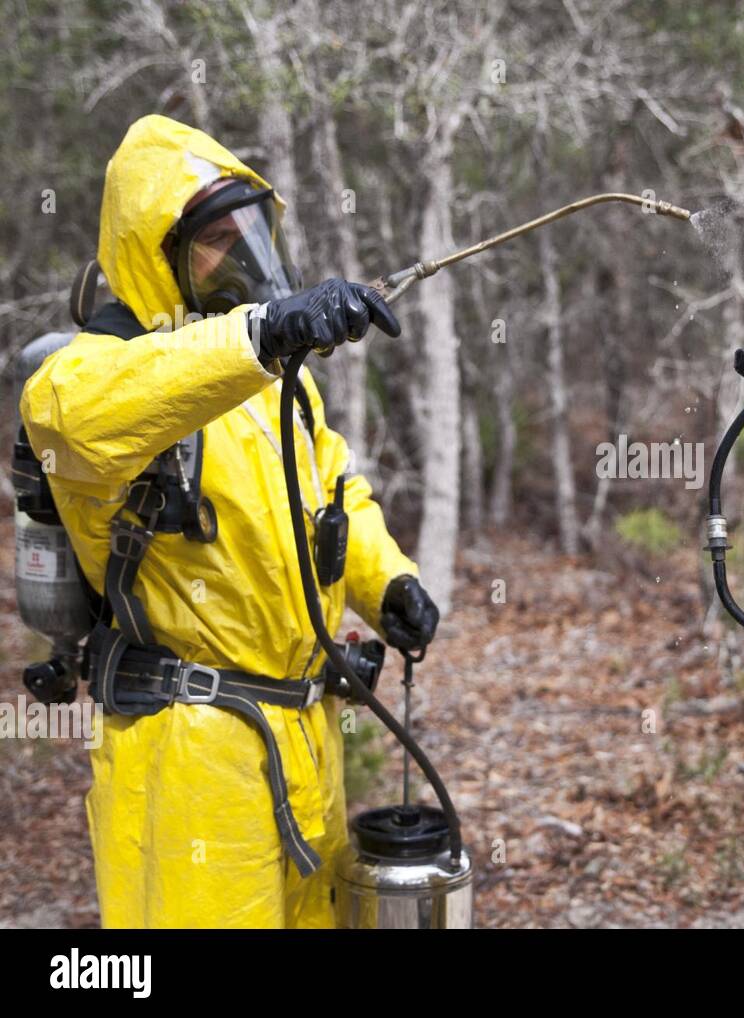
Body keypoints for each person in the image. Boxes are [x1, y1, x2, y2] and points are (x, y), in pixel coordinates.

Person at [21, 114, 438, 928]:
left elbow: (332, 494)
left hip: (302, 731)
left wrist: (385, 582)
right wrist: (258, 333)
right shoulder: (99, 376)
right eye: (215, 238)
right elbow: (69, 416)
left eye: (251, 229)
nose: (242, 256)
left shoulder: (275, 384)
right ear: (160, 255)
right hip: (190, 761)